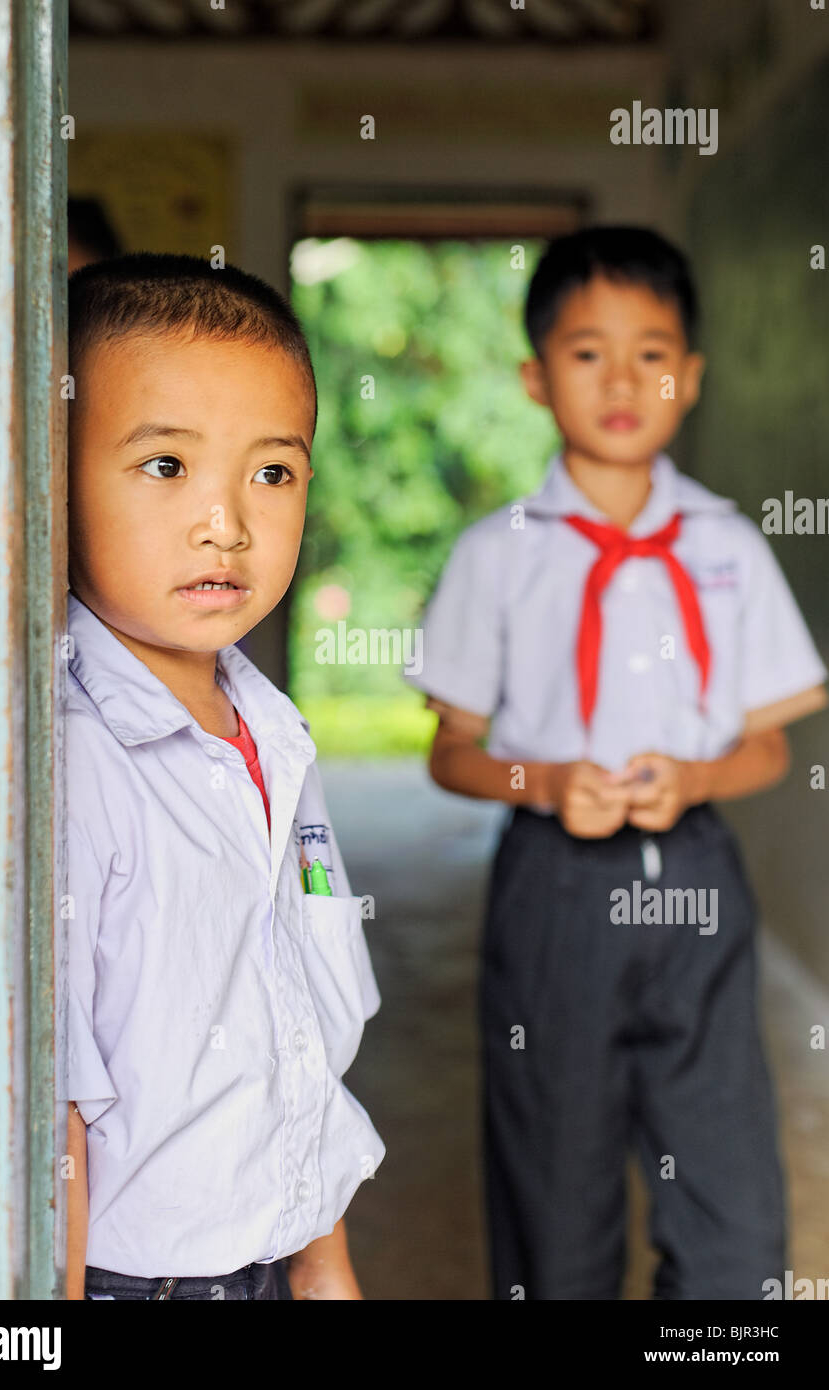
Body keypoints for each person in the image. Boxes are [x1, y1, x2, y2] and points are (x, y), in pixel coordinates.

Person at [403, 226, 827, 1301]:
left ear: (690, 376)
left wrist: (691, 779)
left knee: (730, 1193)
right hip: (554, 885)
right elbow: (452, 750)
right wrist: (539, 782)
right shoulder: (497, 551)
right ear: (535, 377)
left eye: (653, 350)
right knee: (554, 1187)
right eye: (589, 352)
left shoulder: (728, 543)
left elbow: (768, 742)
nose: (625, 379)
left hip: (694, 877)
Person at [64, 252, 384, 1301]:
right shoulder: (68, 763)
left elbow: (293, 1025)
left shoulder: (273, 735)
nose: (227, 522)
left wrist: (324, 1263)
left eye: (273, 470)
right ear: (52, 474)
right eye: (165, 466)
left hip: (271, 1265)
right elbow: (47, 1110)